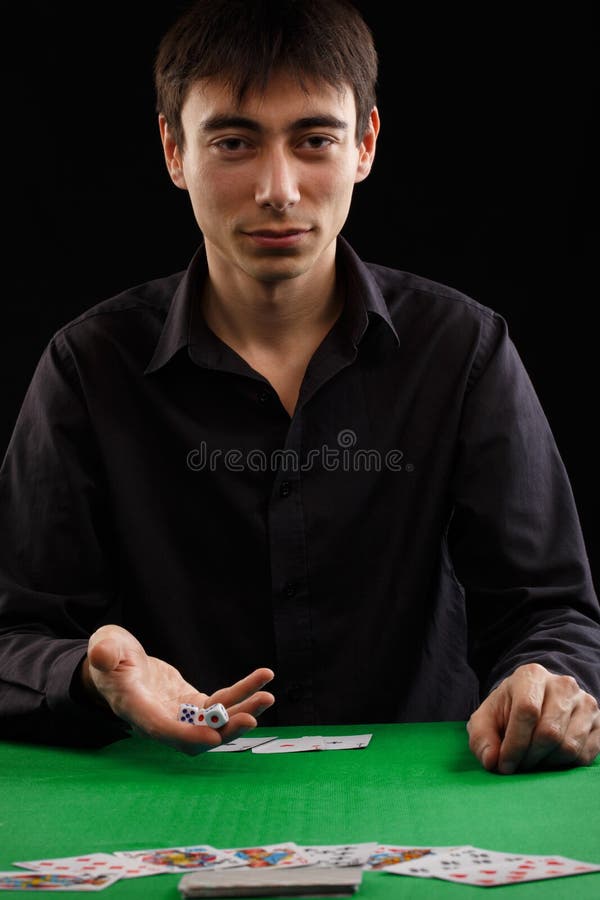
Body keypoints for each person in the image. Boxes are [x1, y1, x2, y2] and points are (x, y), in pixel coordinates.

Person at [1, 0, 599, 773]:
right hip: (171, 793)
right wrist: (92, 676)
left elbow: (552, 615)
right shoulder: (88, 367)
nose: (278, 189)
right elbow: (13, 635)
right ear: (173, 151)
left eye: (314, 139)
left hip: (430, 793)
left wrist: (544, 684)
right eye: (233, 142)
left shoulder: (463, 350)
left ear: (365, 145)